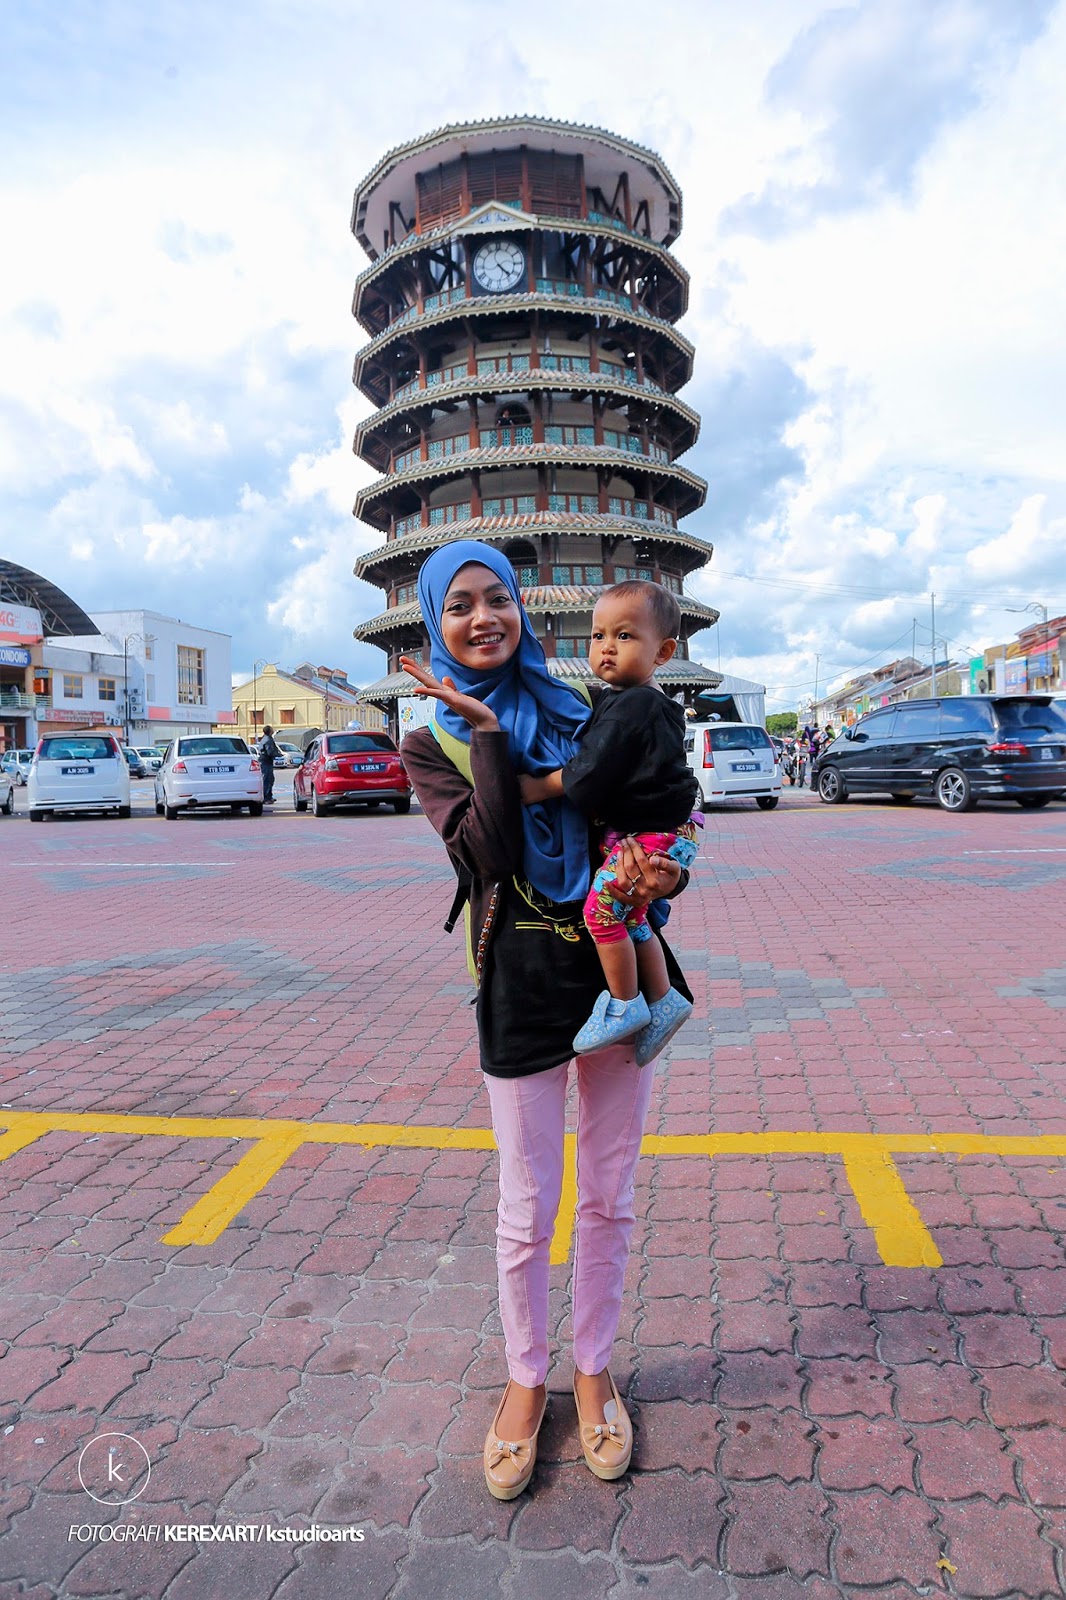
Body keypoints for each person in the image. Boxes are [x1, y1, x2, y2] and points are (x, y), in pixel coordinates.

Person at [398, 541, 691, 1502]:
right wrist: (482, 732)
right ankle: (527, 1379)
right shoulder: (428, 740)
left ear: (522, 607)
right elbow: (484, 851)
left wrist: (668, 868)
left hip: (612, 969)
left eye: (499, 600)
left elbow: (652, 803)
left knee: (608, 1192)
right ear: (435, 622)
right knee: (527, 1203)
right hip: (519, 975)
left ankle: (593, 1367)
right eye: (460, 606)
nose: (484, 619)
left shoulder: (587, 706)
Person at [516, 581, 699, 1056]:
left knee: (600, 914)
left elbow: (588, 775)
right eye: (597, 636)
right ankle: (664, 1000)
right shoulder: (643, 701)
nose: (606, 649)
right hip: (661, 834)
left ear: (663, 651)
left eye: (624, 636)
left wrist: (535, 787)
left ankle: (625, 1003)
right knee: (634, 918)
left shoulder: (632, 705)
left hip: (648, 837)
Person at [258, 724, 280, 803]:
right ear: (270, 731)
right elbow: (270, 752)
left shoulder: (265, 739)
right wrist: (278, 755)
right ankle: (266, 798)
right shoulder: (268, 740)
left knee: (269, 779)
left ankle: (269, 796)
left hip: (265, 761)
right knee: (267, 780)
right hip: (266, 762)